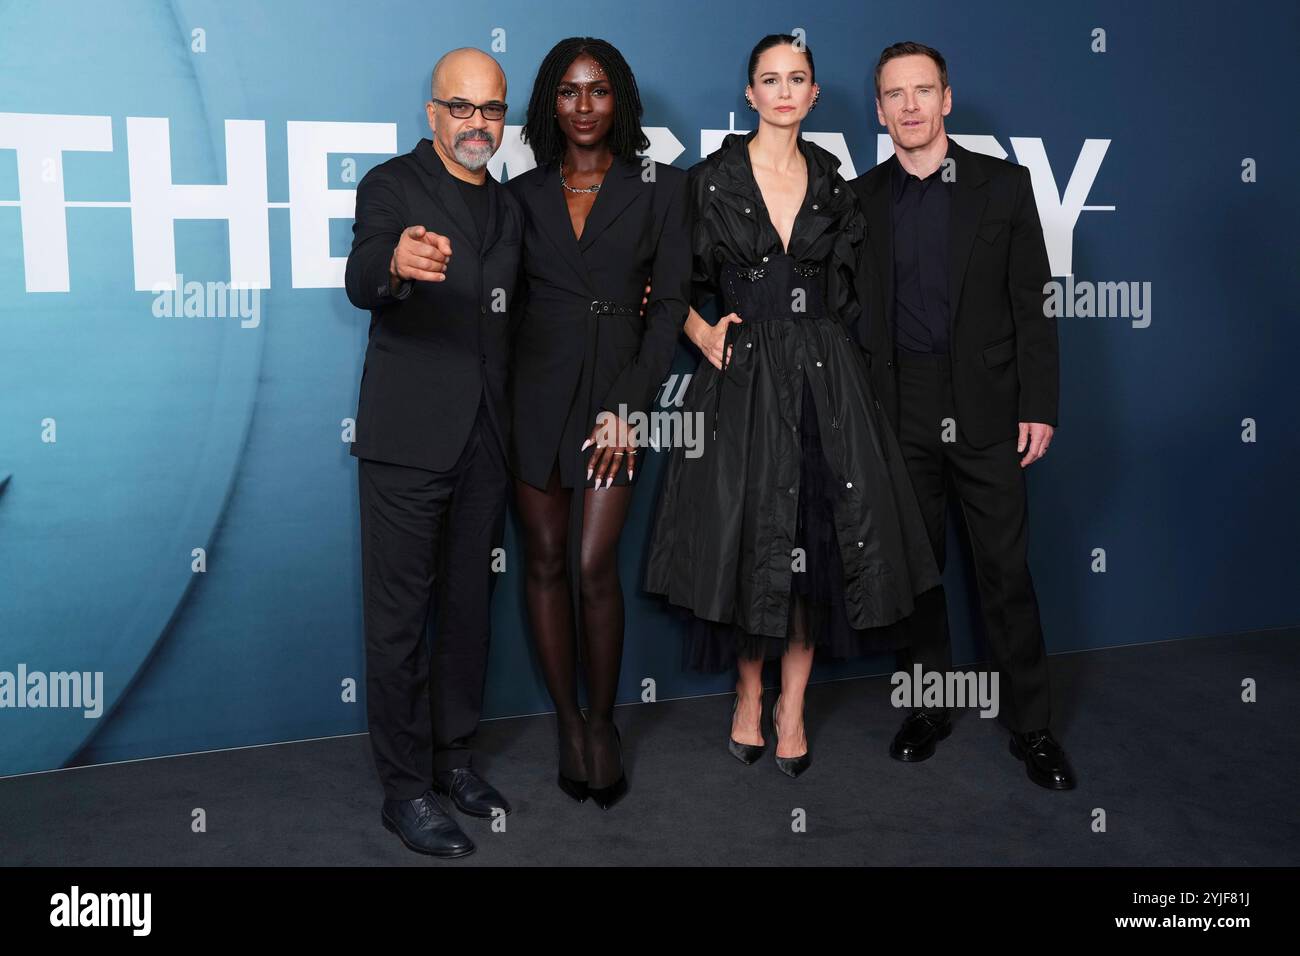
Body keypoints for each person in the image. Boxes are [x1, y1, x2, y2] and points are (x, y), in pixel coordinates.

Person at [644, 35, 941, 777]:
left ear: (814, 94)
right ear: (750, 93)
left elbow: (855, 296)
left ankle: (793, 707)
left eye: (797, 78)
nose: (784, 91)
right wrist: (703, 334)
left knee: (815, 542)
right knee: (750, 541)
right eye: (770, 80)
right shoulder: (705, 183)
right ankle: (748, 696)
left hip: (824, 381)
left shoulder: (837, 185)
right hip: (741, 382)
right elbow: (665, 287)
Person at [848, 42, 1076, 789]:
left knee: (1004, 569)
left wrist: (1038, 403)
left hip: (987, 404)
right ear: (880, 110)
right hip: (897, 405)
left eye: (923, 91)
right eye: (895, 95)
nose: (910, 106)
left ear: (946, 99)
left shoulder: (1003, 185)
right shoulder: (860, 198)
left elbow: (1033, 303)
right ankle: (929, 706)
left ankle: (1032, 725)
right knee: (917, 571)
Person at [344, 48, 524, 857]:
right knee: (398, 623)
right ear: (433, 113)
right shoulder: (391, 186)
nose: (477, 123)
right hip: (408, 441)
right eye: (461, 107)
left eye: (491, 108)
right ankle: (405, 790)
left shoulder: (511, 206)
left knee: (468, 611)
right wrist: (395, 263)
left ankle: (453, 760)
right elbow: (362, 273)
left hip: (487, 439)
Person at [507, 38, 691, 809]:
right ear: (550, 103)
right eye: (569, 91)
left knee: (591, 565)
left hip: (616, 391)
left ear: (622, 102)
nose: (584, 106)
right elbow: (506, 304)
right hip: (534, 392)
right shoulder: (520, 195)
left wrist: (629, 406)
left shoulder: (662, 187)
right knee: (545, 561)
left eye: (600, 90)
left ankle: (605, 721)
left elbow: (670, 307)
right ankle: (568, 723)